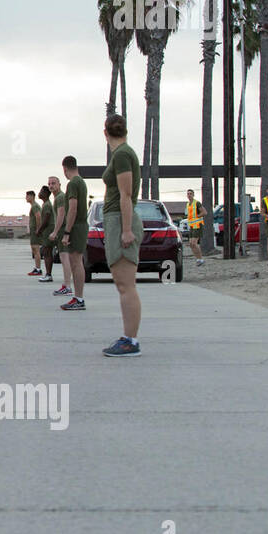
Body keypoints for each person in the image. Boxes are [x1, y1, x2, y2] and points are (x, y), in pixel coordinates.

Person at [101, 114, 142, 357]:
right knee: (122, 284)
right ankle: (128, 337)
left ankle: (131, 341)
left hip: (121, 220)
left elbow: (126, 195)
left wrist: (126, 230)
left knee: (126, 285)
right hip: (116, 220)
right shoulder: (121, 154)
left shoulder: (123, 154)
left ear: (105, 133)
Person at [56, 156, 88, 311]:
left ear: (65, 169)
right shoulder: (81, 181)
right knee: (76, 262)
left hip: (76, 227)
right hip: (81, 225)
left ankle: (79, 298)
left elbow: (73, 208)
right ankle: (78, 297)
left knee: (76, 263)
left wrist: (67, 232)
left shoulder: (73, 183)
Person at [36, 184, 55, 284]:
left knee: (47, 252)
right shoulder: (45, 204)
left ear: (46, 194)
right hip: (47, 231)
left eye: (41, 191)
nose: (39, 193)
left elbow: (46, 219)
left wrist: (39, 230)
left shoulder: (47, 204)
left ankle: (48, 274)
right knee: (46, 252)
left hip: (48, 231)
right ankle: (48, 274)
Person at [185, 188, 205, 266]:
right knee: (191, 244)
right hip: (191, 225)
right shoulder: (187, 204)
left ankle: (201, 259)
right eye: (188, 194)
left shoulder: (197, 203)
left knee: (194, 243)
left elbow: (204, 212)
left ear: (193, 195)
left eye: (190, 193)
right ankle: (198, 259)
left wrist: (196, 216)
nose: (189, 195)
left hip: (197, 225)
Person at [25, 190, 42, 274]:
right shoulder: (34, 206)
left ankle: (38, 269)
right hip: (33, 231)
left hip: (35, 231)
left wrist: (38, 229)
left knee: (36, 249)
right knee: (34, 249)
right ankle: (36, 267)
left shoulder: (35, 206)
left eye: (27, 196)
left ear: (32, 196)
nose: (26, 198)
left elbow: (38, 216)